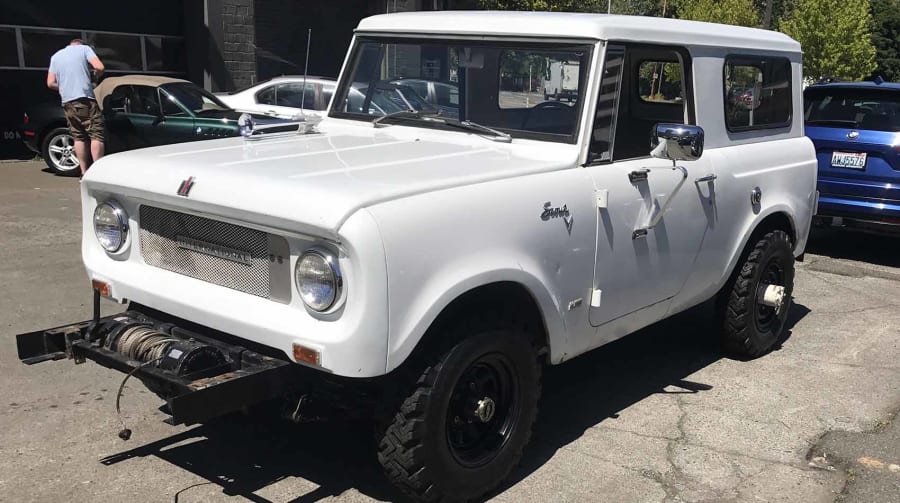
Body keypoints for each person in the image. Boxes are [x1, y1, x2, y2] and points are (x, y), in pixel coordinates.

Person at [46, 39, 105, 175]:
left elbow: (50, 83)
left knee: (78, 137)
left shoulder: (56, 56)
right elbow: (99, 67)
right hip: (85, 99)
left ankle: (84, 172)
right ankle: (98, 173)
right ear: (81, 44)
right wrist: (96, 76)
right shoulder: (85, 49)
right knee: (96, 135)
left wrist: (65, 87)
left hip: (67, 102)